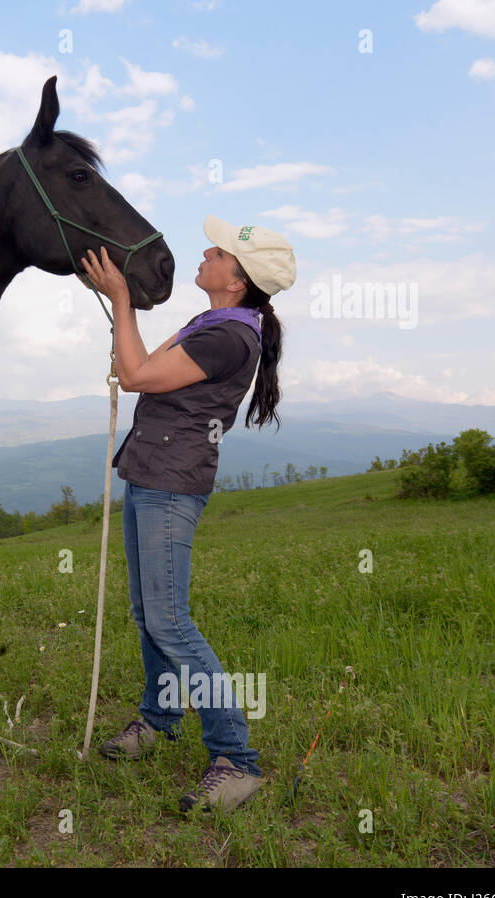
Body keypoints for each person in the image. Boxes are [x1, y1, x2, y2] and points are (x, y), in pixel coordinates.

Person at [78, 215, 295, 813]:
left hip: (170, 487)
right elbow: (144, 369)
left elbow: (139, 373)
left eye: (219, 251)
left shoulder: (228, 335)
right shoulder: (219, 321)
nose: (205, 252)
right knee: (149, 613)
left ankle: (237, 761)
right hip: (152, 475)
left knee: (170, 621)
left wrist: (121, 298)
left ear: (238, 280)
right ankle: (158, 719)